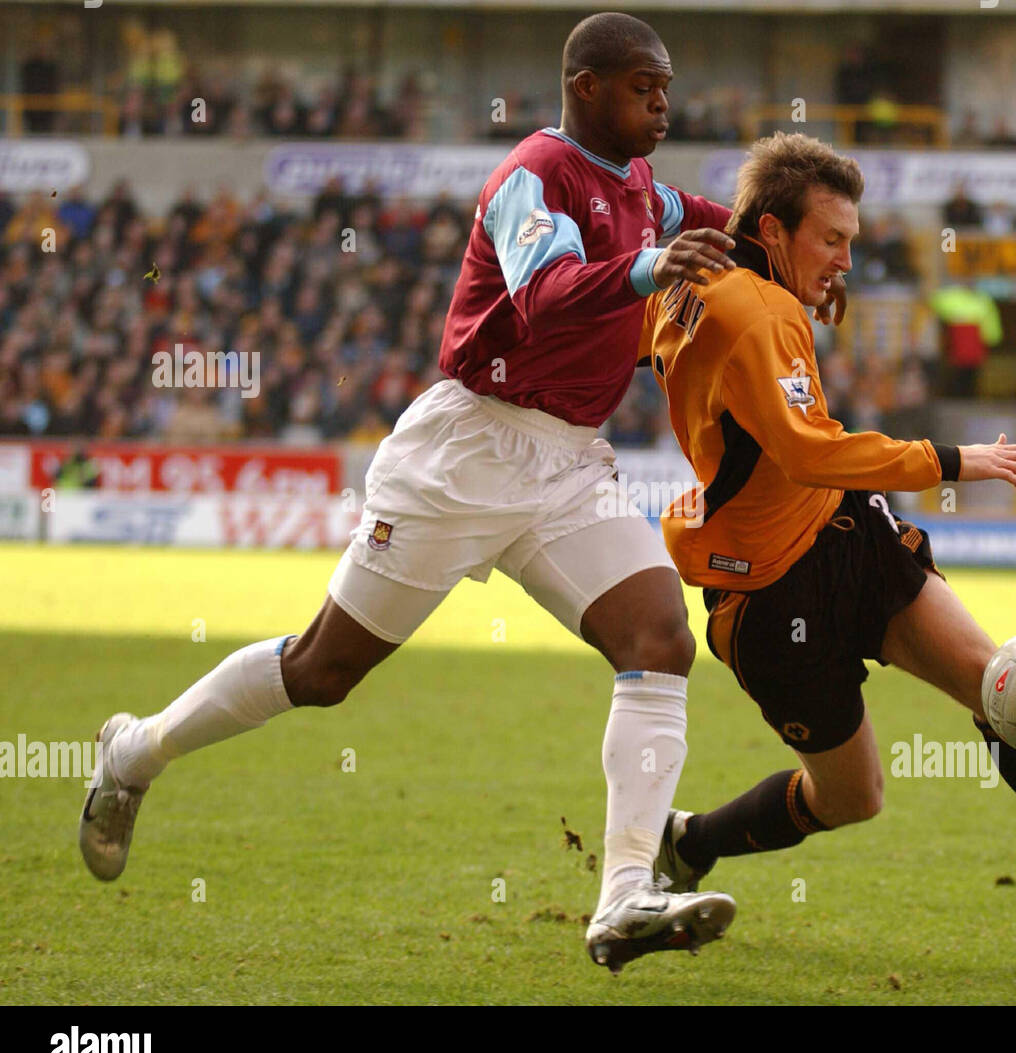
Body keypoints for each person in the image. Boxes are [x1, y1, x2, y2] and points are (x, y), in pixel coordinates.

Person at [78, 12, 845, 976]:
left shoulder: (646, 191)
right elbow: (547, 292)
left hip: (567, 462)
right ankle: (135, 753)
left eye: (668, 88)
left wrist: (806, 270)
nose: (663, 103)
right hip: (465, 452)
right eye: (645, 86)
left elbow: (737, 238)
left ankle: (624, 897)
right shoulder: (536, 171)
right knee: (323, 672)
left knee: (656, 640)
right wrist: (653, 265)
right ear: (585, 86)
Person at [639, 132, 1016, 921]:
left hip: (843, 534)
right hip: (765, 591)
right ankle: (689, 843)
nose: (845, 259)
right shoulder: (757, 307)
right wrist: (951, 460)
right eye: (830, 240)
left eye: (850, 241)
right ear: (771, 231)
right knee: (852, 796)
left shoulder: (696, 282)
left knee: (1004, 692)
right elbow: (804, 449)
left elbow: (654, 344)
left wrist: (793, 293)